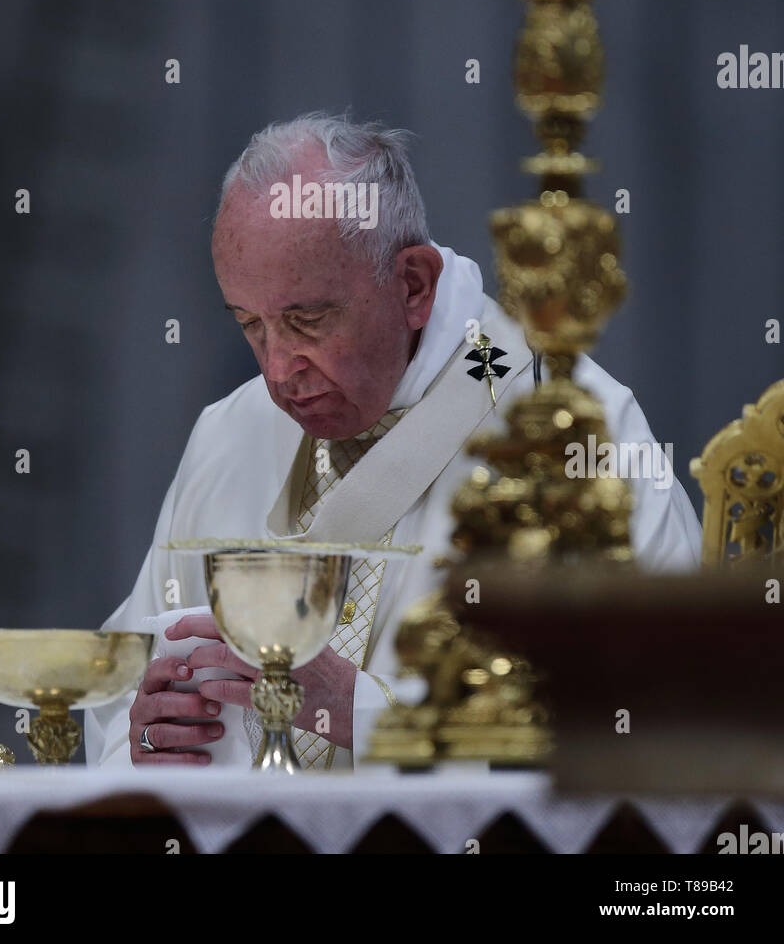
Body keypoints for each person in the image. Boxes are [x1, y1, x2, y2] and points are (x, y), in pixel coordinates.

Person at [85, 112, 702, 771]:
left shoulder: (572, 428)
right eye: (251, 325)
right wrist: (145, 736)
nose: (276, 369)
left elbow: (666, 718)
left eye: (308, 321)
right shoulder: (230, 433)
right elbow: (123, 679)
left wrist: (372, 717)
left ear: (413, 285)